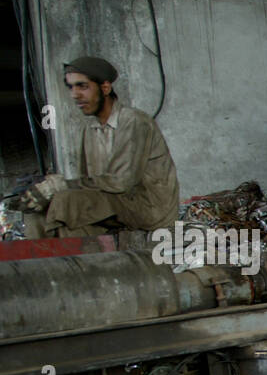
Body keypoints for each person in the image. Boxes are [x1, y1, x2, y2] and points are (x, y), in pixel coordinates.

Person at [21, 56, 179, 238]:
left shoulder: (134, 121)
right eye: (71, 87)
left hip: (149, 208)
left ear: (105, 88)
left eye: (83, 86)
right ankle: (43, 264)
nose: (75, 94)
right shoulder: (89, 130)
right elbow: (87, 181)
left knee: (65, 201)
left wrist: (63, 185)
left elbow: (121, 182)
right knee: (39, 212)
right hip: (112, 205)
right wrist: (47, 192)